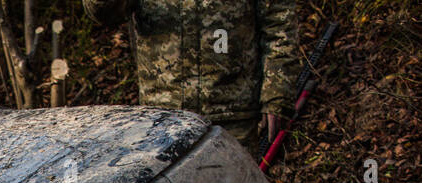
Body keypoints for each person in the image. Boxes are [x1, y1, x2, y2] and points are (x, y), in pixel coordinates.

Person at [82, 0, 299, 149]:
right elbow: (102, 14)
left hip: (232, 115)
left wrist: (277, 94)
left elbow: (279, 23)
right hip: (162, 118)